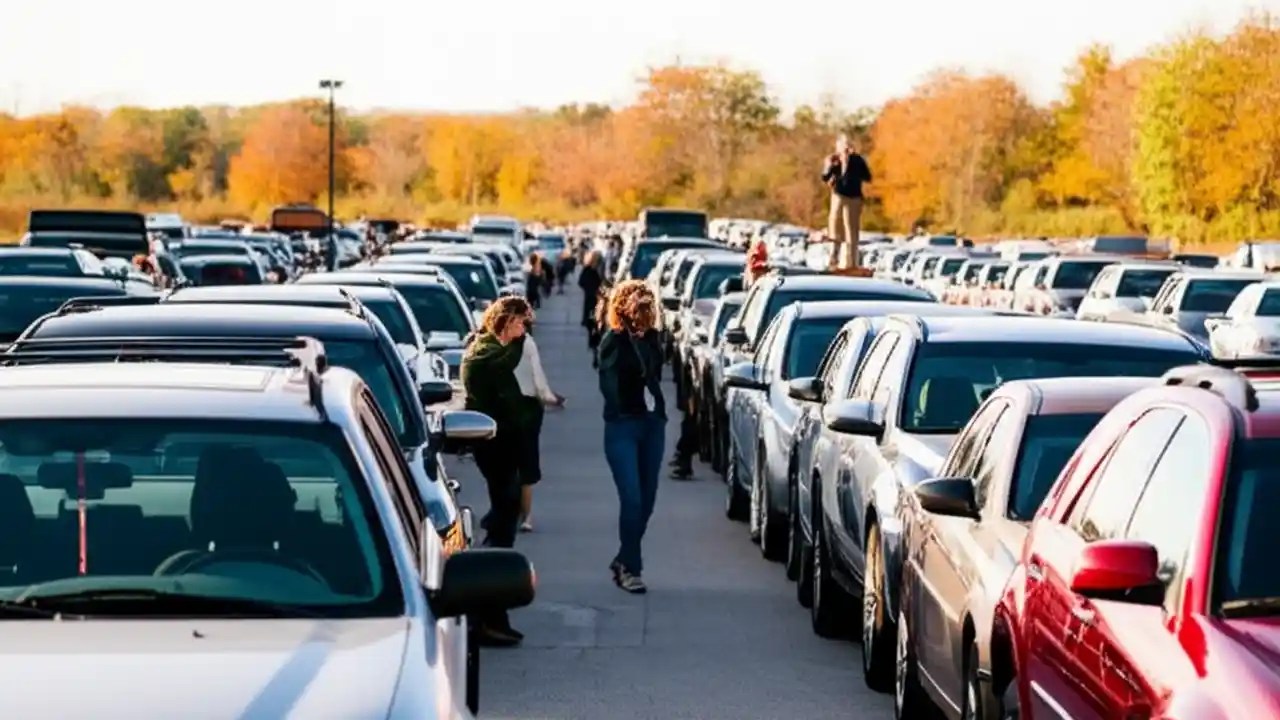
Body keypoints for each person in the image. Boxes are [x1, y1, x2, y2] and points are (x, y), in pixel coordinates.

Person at [460, 296, 536, 645]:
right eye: (521, 323)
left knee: (506, 522)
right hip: (495, 448)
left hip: (508, 448)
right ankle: (485, 612)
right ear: (506, 321)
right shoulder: (485, 351)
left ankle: (492, 613)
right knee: (501, 528)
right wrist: (518, 341)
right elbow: (501, 366)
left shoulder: (494, 349)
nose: (524, 331)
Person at [596, 280, 666, 594]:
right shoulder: (613, 340)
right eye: (640, 305)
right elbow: (610, 384)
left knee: (648, 500)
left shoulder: (653, 339)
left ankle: (623, 557)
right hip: (623, 425)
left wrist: (646, 334)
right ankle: (631, 569)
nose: (646, 311)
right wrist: (630, 334)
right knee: (633, 499)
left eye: (649, 305)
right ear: (624, 308)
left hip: (652, 425)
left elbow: (654, 373)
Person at [513, 309, 565, 532]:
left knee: (503, 463)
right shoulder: (527, 344)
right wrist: (550, 399)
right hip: (526, 409)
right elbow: (537, 380)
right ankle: (526, 516)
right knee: (526, 465)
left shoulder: (492, 342)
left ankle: (505, 510)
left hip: (500, 409)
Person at [822, 133, 873, 271]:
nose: (844, 149)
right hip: (838, 194)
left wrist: (853, 166)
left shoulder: (858, 160)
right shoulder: (834, 159)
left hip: (853, 197)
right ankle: (834, 259)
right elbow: (825, 177)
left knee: (851, 230)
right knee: (835, 226)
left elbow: (868, 177)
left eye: (847, 145)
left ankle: (851, 262)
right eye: (842, 145)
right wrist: (830, 167)